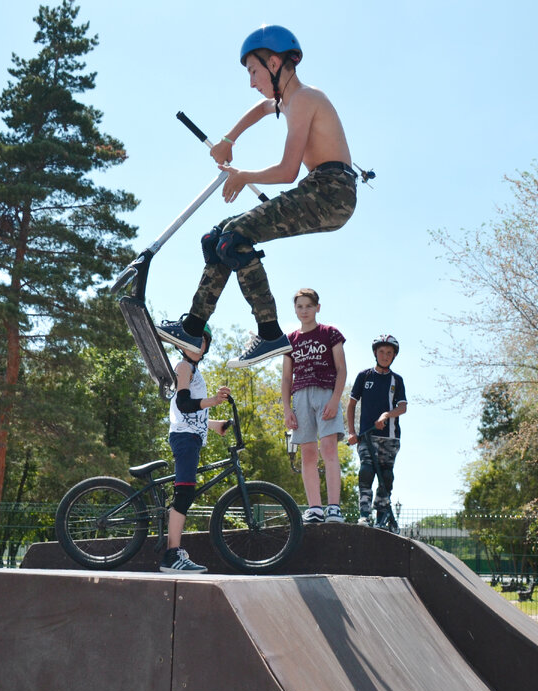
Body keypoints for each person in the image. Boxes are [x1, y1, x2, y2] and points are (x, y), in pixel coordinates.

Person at [157, 24, 357, 369]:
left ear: (275, 63)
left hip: (332, 193)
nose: (252, 81)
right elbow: (260, 108)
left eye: (254, 71)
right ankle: (191, 327)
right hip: (318, 190)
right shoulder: (287, 101)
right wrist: (228, 139)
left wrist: (245, 175)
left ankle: (269, 333)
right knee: (217, 238)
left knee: (235, 238)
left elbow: (287, 170)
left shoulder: (307, 99)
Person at [162, 323, 232, 573]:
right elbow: (182, 404)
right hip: (185, 439)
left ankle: (173, 552)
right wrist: (212, 400)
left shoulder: (192, 369)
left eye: (202, 341)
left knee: (185, 492)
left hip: (190, 436)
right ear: (182, 344)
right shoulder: (183, 367)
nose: (198, 345)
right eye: (193, 340)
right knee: (184, 494)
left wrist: (215, 425)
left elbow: (191, 414)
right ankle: (172, 555)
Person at [281, 288, 347, 524]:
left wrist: (334, 399)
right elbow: (287, 378)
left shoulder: (330, 333)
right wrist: (287, 409)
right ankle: (315, 508)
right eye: (300, 306)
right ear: (295, 310)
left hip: (326, 393)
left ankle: (334, 508)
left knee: (328, 449)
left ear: (317, 307)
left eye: (309, 305)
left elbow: (341, 369)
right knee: (307, 454)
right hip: (300, 396)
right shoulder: (290, 340)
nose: (304, 310)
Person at [345, 335, 407, 527]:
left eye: (389, 353)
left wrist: (386, 415)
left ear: (394, 355)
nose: (385, 355)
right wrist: (352, 432)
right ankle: (364, 514)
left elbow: (403, 407)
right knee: (366, 471)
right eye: (381, 351)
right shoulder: (364, 376)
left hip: (390, 436)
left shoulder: (397, 380)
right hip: (367, 435)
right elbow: (351, 405)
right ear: (375, 353)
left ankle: (382, 516)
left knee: (386, 476)